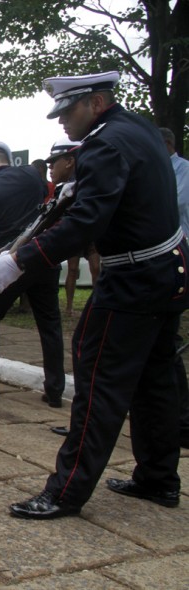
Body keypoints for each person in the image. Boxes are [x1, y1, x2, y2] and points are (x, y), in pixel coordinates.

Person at [2, 72, 186, 519]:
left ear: (98, 102)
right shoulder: (138, 128)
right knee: (155, 380)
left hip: (133, 279)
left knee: (97, 377)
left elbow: (87, 222)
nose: (62, 121)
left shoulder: (105, 144)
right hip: (168, 271)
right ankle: (158, 478)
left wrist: (24, 258)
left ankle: (66, 491)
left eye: (68, 111)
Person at [0, 140, 65, 407]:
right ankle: (55, 390)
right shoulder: (32, 176)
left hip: (12, 261)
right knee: (50, 324)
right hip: (45, 254)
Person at [45, 137, 100, 316]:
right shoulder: (64, 190)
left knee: (96, 268)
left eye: (53, 163)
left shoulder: (85, 185)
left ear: (69, 161)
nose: (50, 169)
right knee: (73, 268)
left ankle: (98, 306)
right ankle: (69, 307)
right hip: (74, 235)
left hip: (85, 234)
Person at [160, 127, 189, 450]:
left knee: (168, 347)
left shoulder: (183, 173)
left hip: (177, 260)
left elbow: (173, 204)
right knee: (164, 349)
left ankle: (183, 420)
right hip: (162, 264)